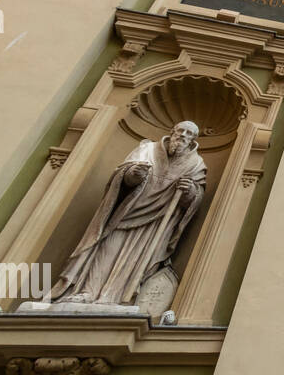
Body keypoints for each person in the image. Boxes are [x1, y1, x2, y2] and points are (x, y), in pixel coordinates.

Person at [51, 122, 207, 307]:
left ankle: (113, 297)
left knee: (135, 261)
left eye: (189, 133)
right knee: (107, 251)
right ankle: (87, 292)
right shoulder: (147, 150)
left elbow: (195, 198)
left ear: (193, 140)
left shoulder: (196, 164)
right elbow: (122, 176)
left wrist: (189, 191)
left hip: (155, 225)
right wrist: (133, 175)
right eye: (180, 131)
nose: (183, 135)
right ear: (172, 132)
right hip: (127, 213)